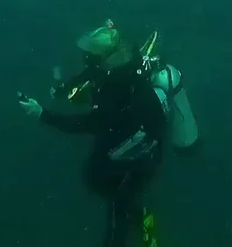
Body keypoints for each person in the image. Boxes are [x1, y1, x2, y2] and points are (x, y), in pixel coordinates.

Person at [19, 21, 200, 247]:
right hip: (145, 142)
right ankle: (141, 215)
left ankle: (142, 219)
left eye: (89, 54)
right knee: (99, 179)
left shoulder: (116, 88)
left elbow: (88, 123)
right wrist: (64, 90)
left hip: (137, 153)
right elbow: (90, 73)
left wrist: (43, 115)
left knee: (117, 209)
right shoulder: (126, 61)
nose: (85, 58)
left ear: (101, 57)